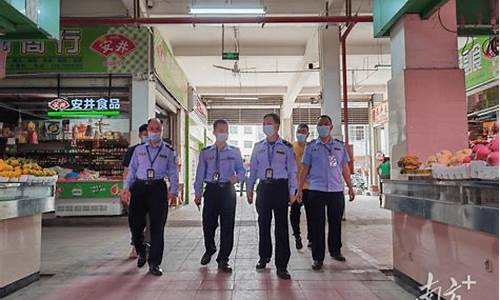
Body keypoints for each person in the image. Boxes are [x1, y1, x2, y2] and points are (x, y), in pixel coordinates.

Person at [297, 115, 355, 271]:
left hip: (336, 190)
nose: (322, 126)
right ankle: (317, 257)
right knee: (317, 225)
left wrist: (350, 186)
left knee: (336, 222)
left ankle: (335, 250)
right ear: (317, 128)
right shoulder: (311, 147)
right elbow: (304, 170)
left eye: (325, 124)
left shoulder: (339, 147)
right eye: (319, 124)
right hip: (316, 190)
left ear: (331, 127)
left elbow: (344, 168)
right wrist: (299, 189)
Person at [121, 118, 178, 276]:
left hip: (158, 188)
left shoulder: (168, 151)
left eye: (157, 129)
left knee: (157, 227)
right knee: (135, 224)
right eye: (151, 129)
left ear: (161, 131)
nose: (154, 132)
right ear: (148, 130)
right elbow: (132, 170)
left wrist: (173, 191)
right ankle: (141, 250)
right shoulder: (138, 150)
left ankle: (154, 263)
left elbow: (173, 172)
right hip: (139, 188)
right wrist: (126, 188)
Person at [247, 113, 297, 280]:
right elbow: (253, 169)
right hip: (263, 189)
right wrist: (249, 189)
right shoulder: (257, 147)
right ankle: (264, 256)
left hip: (280, 188)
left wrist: (292, 192)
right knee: (263, 224)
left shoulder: (287, 147)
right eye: (263, 123)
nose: (265, 126)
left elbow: (292, 172)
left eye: (268, 123)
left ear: (277, 126)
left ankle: (282, 265)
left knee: (281, 226)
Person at [194, 119, 246, 273]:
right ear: (214, 132)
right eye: (220, 130)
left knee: (227, 226)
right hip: (211, 190)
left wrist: (237, 178)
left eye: (226, 130)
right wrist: (197, 193)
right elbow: (199, 174)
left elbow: (242, 171)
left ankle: (223, 259)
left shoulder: (235, 152)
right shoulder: (205, 152)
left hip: (227, 191)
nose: (223, 133)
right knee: (208, 224)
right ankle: (209, 249)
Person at [122, 124, 150, 259]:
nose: (147, 136)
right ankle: (136, 246)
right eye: (145, 134)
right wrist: (126, 189)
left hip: (153, 190)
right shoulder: (132, 151)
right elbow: (127, 171)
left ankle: (149, 244)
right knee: (136, 220)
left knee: (152, 219)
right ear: (139, 135)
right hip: (136, 189)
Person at [290, 123, 313, 250]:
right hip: (295, 186)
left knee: (312, 214)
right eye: (299, 131)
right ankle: (297, 236)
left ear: (308, 134)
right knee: (294, 213)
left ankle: (311, 238)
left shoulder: (312, 148)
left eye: (304, 132)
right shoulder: (291, 148)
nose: (301, 134)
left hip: (310, 187)